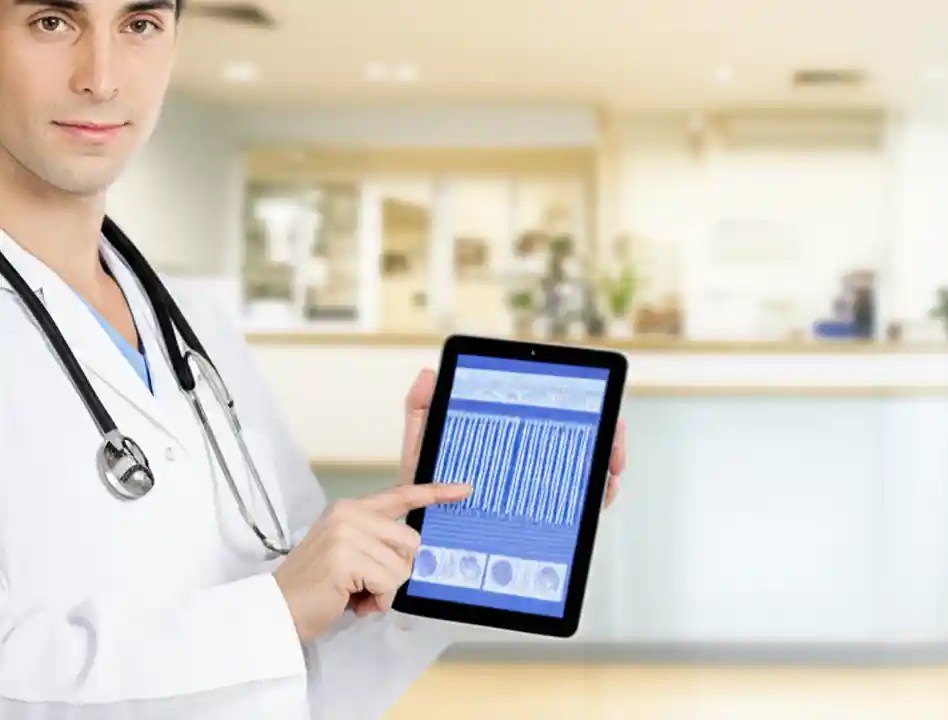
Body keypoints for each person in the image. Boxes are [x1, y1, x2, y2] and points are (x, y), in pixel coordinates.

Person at [0, 0, 628, 717]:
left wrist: (424, 559)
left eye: (139, 24)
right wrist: (273, 612)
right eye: (52, 21)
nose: (103, 77)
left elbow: (299, 670)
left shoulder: (194, 324)